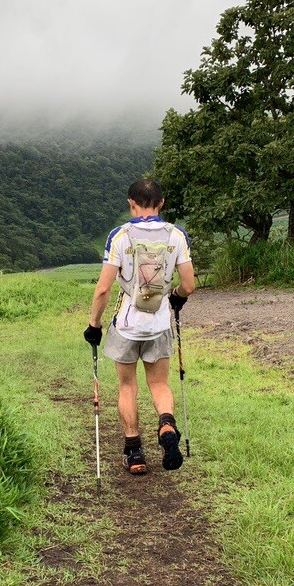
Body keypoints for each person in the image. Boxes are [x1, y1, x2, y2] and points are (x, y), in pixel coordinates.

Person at [84, 179, 195, 475]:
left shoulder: (119, 236)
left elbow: (103, 289)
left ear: (131, 203)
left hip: (127, 325)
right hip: (159, 323)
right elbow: (188, 285)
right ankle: (167, 425)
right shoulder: (176, 235)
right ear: (161, 203)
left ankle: (134, 452)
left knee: (127, 386)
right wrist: (176, 296)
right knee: (159, 384)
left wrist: (94, 324)